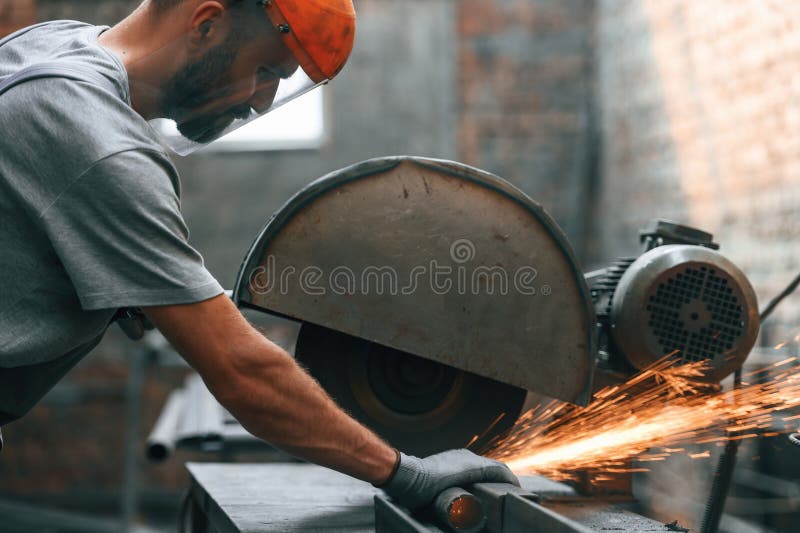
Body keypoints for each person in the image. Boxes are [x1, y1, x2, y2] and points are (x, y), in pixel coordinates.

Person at [0, 0, 519, 508]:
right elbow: (242, 373)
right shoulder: (104, 148)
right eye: (266, 69)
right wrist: (406, 473)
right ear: (206, 22)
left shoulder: (50, 45)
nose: (263, 101)